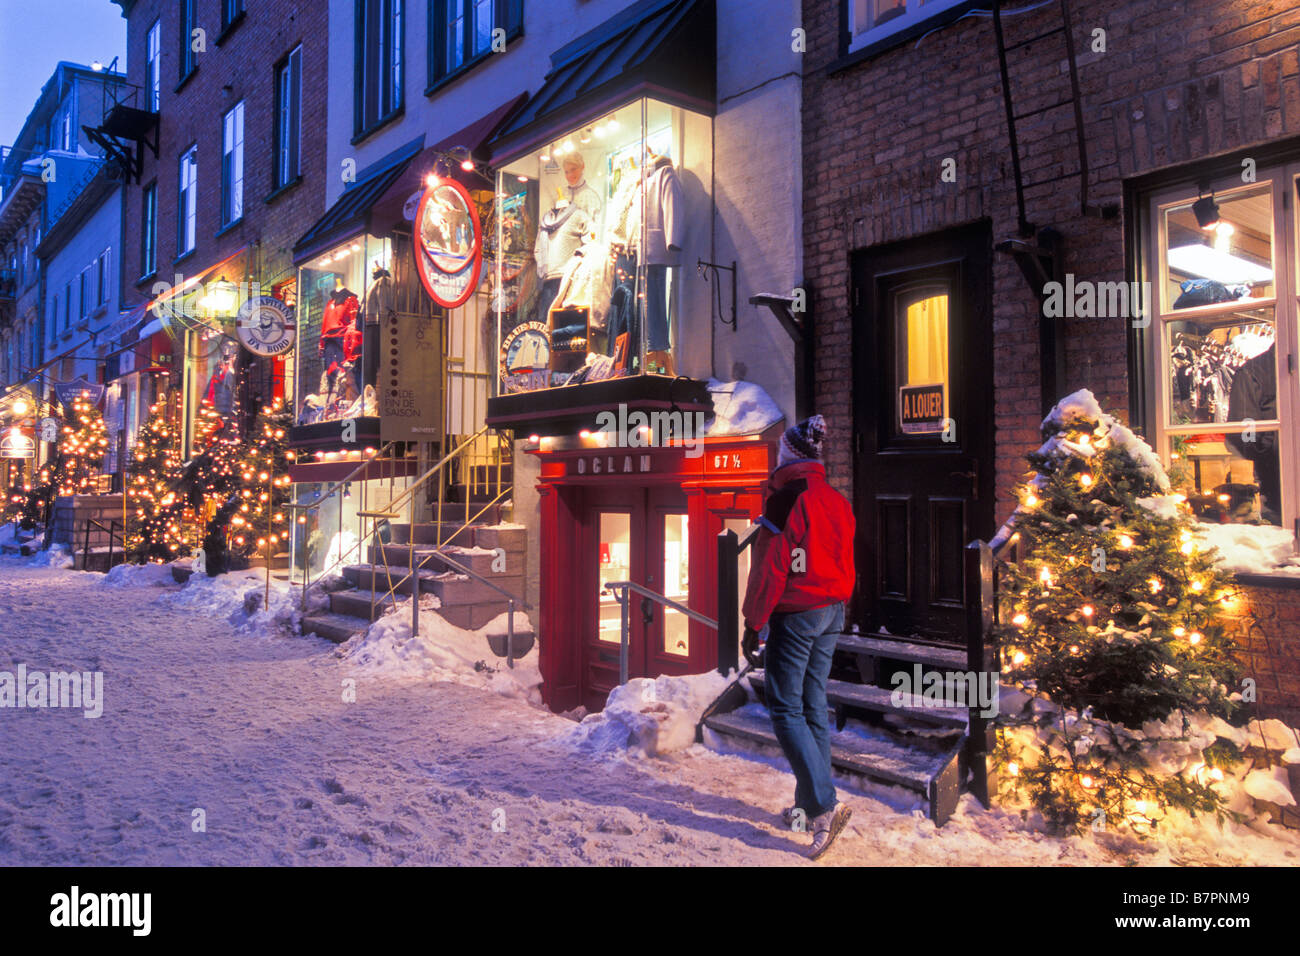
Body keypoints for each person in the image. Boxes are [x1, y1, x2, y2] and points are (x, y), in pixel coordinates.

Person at [742, 415, 856, 859]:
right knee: (811, 707)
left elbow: (770, 567)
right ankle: (808, 805)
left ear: (788, 456)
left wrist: (754, 624)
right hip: (832, 610)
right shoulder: (835, 499)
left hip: (797, 613)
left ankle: (825, 806)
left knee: (785, 708)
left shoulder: (785, 499)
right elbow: (844, 557)